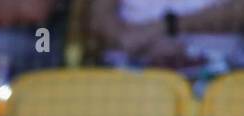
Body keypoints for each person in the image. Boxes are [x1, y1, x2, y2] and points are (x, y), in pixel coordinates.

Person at [91, 0, 244, 78]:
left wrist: (168, 26)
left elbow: (239, 12)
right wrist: (127, 41)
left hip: (222, 75)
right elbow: (99, 18)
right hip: (130, 74)